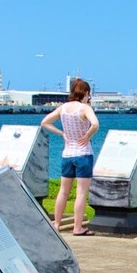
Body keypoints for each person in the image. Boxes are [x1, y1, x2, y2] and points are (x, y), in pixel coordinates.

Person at [42, 78, 99, 236]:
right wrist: (87, 136)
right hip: (84, 154)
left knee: (63, 191)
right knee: (81, 193)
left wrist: (62, 134)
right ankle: (77, 227)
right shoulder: (85, 108)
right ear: (86, 93)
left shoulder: (63, 108)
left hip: (67, 154)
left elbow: (45, 122)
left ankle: (57, 224)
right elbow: (95, 124)